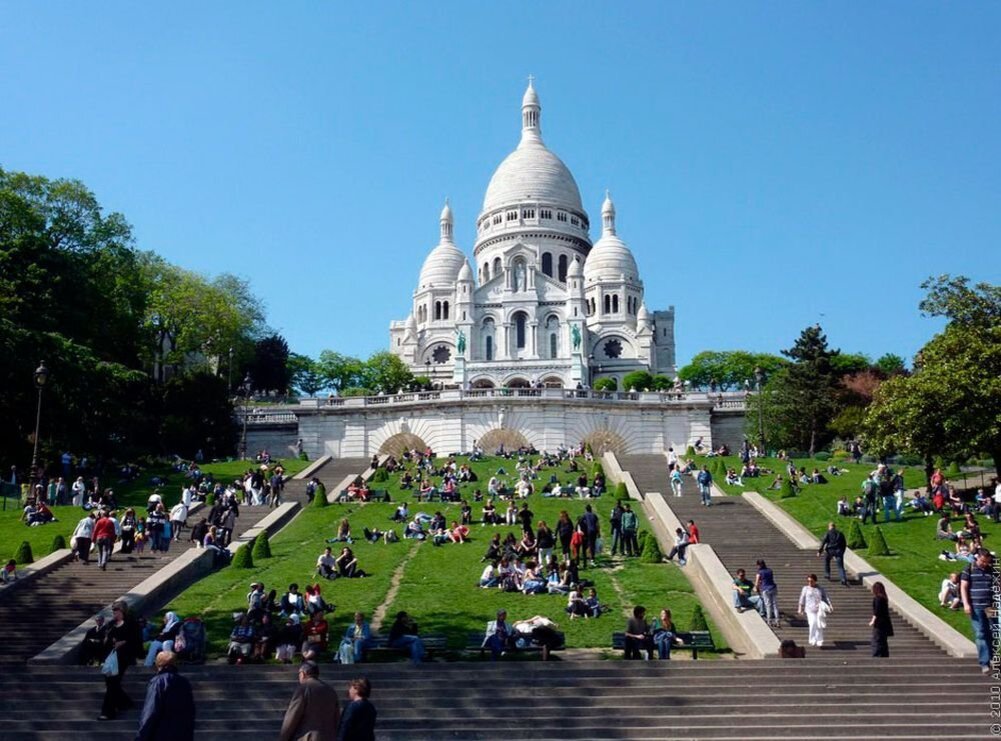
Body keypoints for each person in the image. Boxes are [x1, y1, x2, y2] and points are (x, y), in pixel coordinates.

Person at [135, 651, 195, 741]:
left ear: (158, 664)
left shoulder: (158, 682)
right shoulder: (184, 682)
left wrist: (140, 738)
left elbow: (151, 712)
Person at [99, 600, 143, 721]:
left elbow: (136, 640)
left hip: (124, 656)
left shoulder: (131, 624)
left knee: (113, 683)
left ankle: (107, 712)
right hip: (111, 657)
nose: (114, 613)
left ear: (123, 611)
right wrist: (109, 641)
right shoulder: (111, 624)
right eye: (113, 610)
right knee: (110, 682)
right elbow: (105, 639)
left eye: (116, 610)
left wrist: (123, 642)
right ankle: (125, 702)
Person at [279, 660, 341, 741]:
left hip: (308, 737)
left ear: (303, 673)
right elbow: (337, 717)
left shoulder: (303, 689)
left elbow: (292, 716)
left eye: (299, 674)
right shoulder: (331, 690)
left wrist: (284, 737)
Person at [960, 548, 999, 673]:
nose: (984, 564)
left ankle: (992, 657)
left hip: (991, 606)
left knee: (993, 632)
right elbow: (963, 587)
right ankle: (984, 662)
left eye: (987, 562)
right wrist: (966, 604)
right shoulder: (969, 569)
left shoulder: (992, 570)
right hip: (976, 606)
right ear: (978, 558)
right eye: (983, 561)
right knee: (981, 633)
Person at [797, 574, 832, 648]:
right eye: (808, 581)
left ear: (815, 581)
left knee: (819, 625)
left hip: (819, 609)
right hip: (809, 609)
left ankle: (819, 640)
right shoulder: (805, 588)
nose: (810, 582)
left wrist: (830, 605)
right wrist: (800, 608)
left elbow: (826, 597)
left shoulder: (820, 588)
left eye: (811, 581)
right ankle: (812, 639)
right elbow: (802, 598)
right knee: (812, 623)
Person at [337, 677, 376, 741]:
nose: (349, 690)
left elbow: (345, 727)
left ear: (356, 689)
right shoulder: (370, 707)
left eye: (350, 688)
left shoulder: (352, 707)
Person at [817, 522, 848, 586]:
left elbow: (823, 542)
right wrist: (842, 551)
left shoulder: (828, 533)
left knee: (827, 561)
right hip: (838, 551)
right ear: (835, 526)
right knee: (840, 566)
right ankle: (843, 579)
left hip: (830, 550)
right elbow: (844, 544)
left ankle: (827, 574)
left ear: (829, 527)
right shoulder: (840, 533)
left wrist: (819, 551)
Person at [869, 581, 894, 657]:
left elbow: (877, 611)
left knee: (877, 640)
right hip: (885, 623)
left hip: (879, 623)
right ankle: (884, 655)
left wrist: (872, 620)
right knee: (883, 641)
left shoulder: (878, 599)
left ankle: (877, 655)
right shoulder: (884, 598)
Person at [755, 559, 779, 627]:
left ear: (759, 565)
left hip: (765, 589)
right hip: (773, 588)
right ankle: (777, 621)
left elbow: (757, 583)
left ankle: (769, 621)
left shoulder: (759, 572)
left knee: (768, 605)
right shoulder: (770, 570)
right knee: (775, 605)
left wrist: (757, 588)